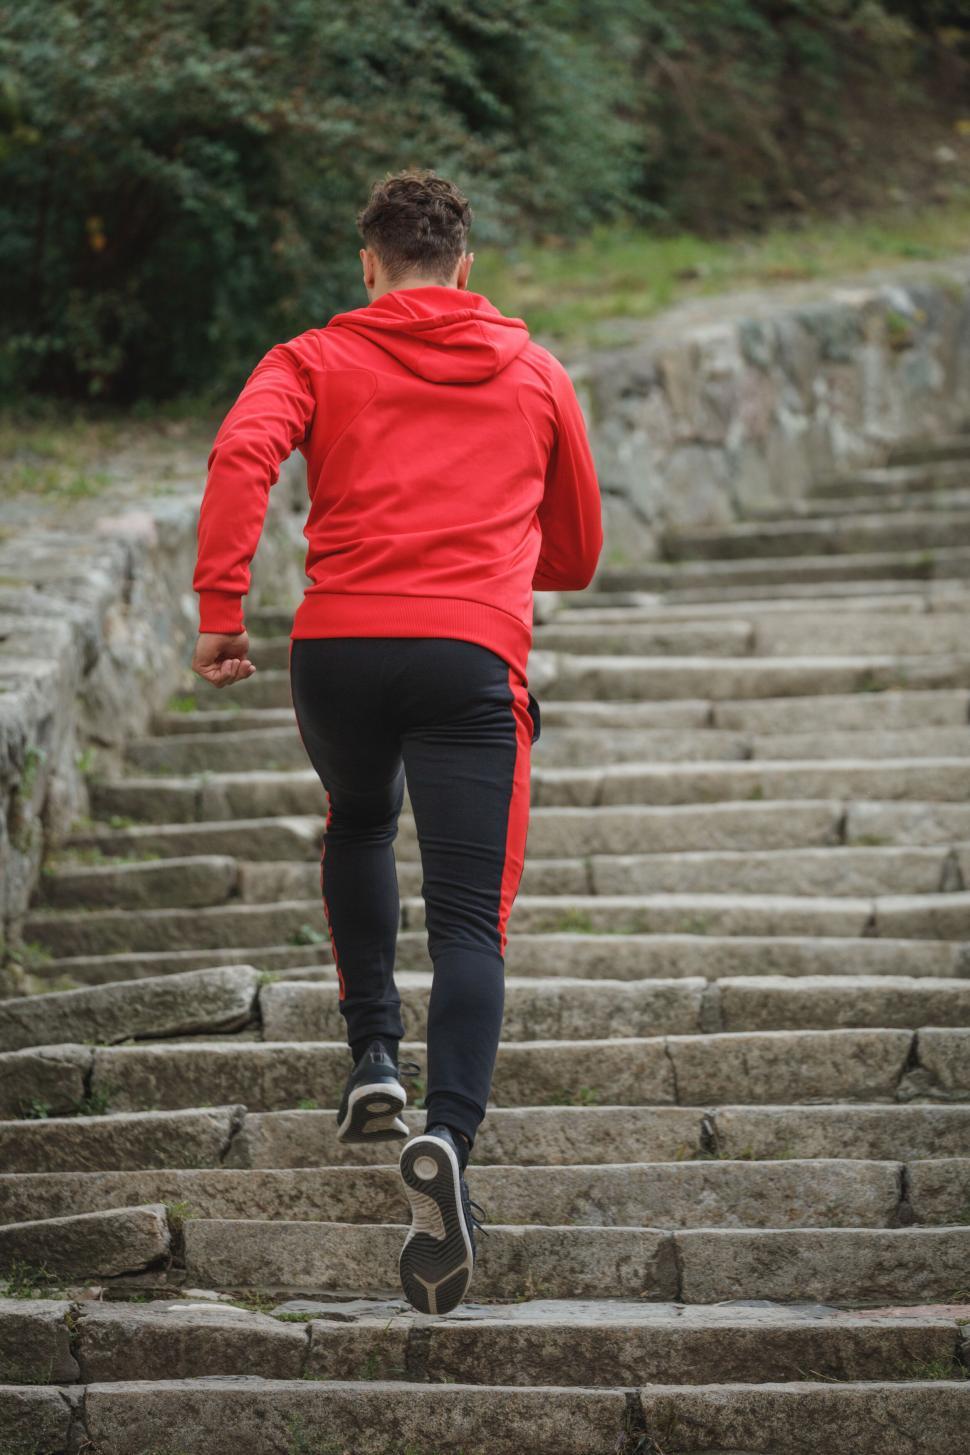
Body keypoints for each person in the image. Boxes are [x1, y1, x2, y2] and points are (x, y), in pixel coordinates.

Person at [190, 168, 603, 1315]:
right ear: (466, 265)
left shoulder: (313, 357)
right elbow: (575, 552)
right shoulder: (533, 370)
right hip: (469, 654)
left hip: (338, 650)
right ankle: (448, 1137)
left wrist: (223, 612)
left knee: (358, 820)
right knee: (471, 918)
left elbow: (240, 459)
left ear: (367, 264)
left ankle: (374, 1056)